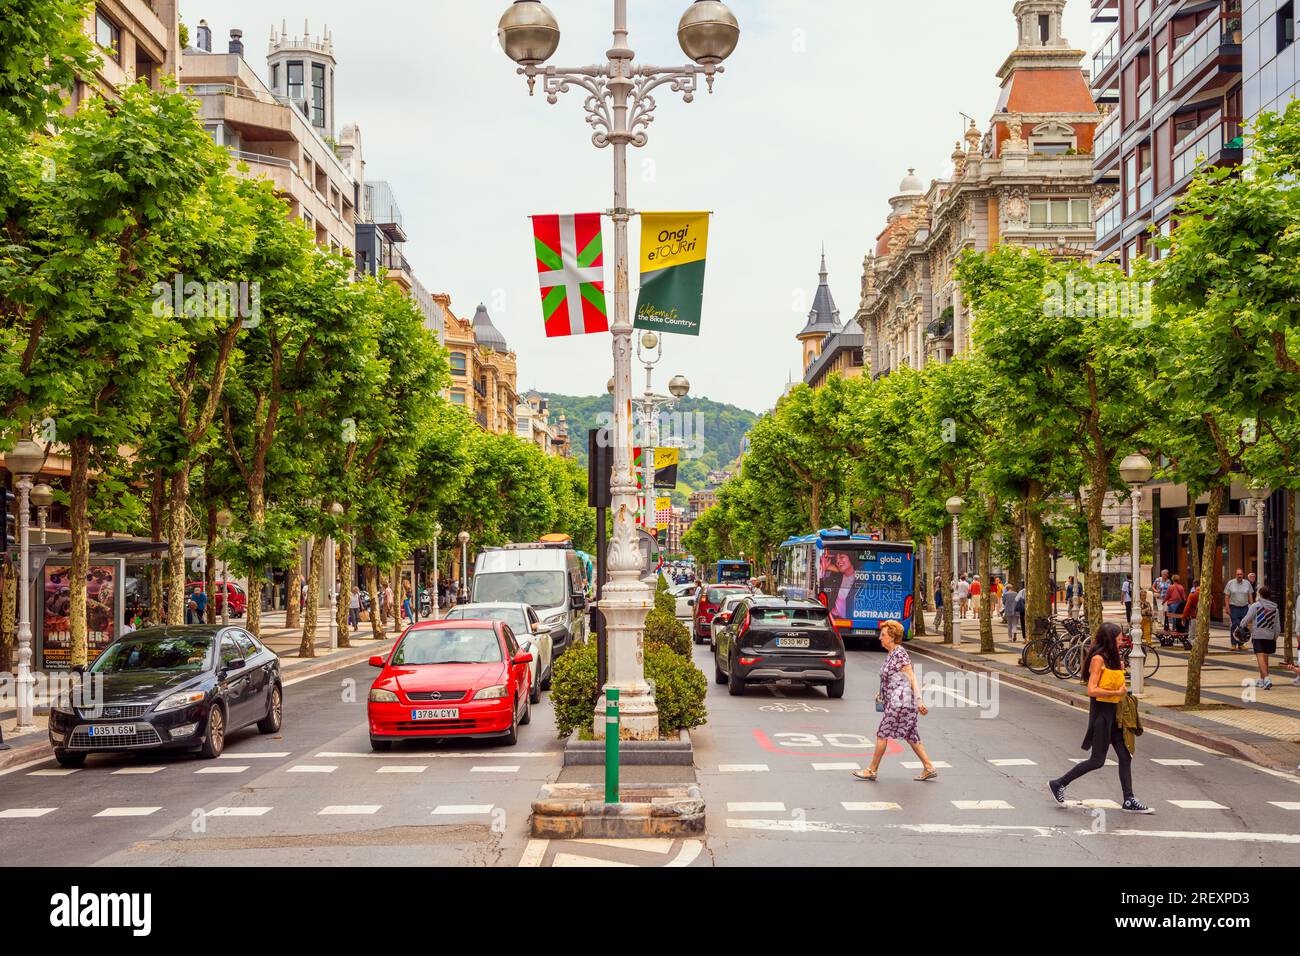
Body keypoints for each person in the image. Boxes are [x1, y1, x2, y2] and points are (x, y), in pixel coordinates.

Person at [1047, 622, 1155, 814]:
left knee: (1125, 755)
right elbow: (1091, 690)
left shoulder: (1113, 659)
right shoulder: (1098, 659)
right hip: (1101, 717)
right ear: (1110, 639)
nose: (1122, 641)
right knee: (1097, 761)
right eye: (1119, 638)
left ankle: (1129, 799)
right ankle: (1058, 783)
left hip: (1115, 716)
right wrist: (1117, 691)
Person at [853, 619, 938, 782]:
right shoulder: (892, 654)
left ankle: (871, 769)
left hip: (901, 703)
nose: (880, 638)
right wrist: (881, 692)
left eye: (883, 635)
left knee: (882, 733)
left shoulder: (900, 653)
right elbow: (892, 677)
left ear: (892, 637)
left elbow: (911, 677)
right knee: (911, 734)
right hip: (898, 701)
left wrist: (919, 700)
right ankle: (929, 767)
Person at [1238, 584, 1281, 690]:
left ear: (1260, 595)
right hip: (1270, 635)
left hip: (1258, 635)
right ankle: (1262, 680)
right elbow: (1277, 626)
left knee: (1260, 657)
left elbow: (1247, 618)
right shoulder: (1275, 609)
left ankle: (1266, 679)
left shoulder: (1256, 606)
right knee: (1265, 657)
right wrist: (1274, 637)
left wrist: (1240, 626)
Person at [1224, 569, 1253, 650]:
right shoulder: (1230, 583)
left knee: (1243, 625)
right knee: (1235, 625)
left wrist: (1252, 606)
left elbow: (1250, 595)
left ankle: (1241, 644)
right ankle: (1233, 644)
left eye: (1241, 574)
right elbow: (1227, 596)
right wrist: (1227, 607)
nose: (1239, 576)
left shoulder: (1247, 583)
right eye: (1238, 574)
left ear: (1243, 575)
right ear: (1235, 575)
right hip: (1234, 607)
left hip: (1244, 607)